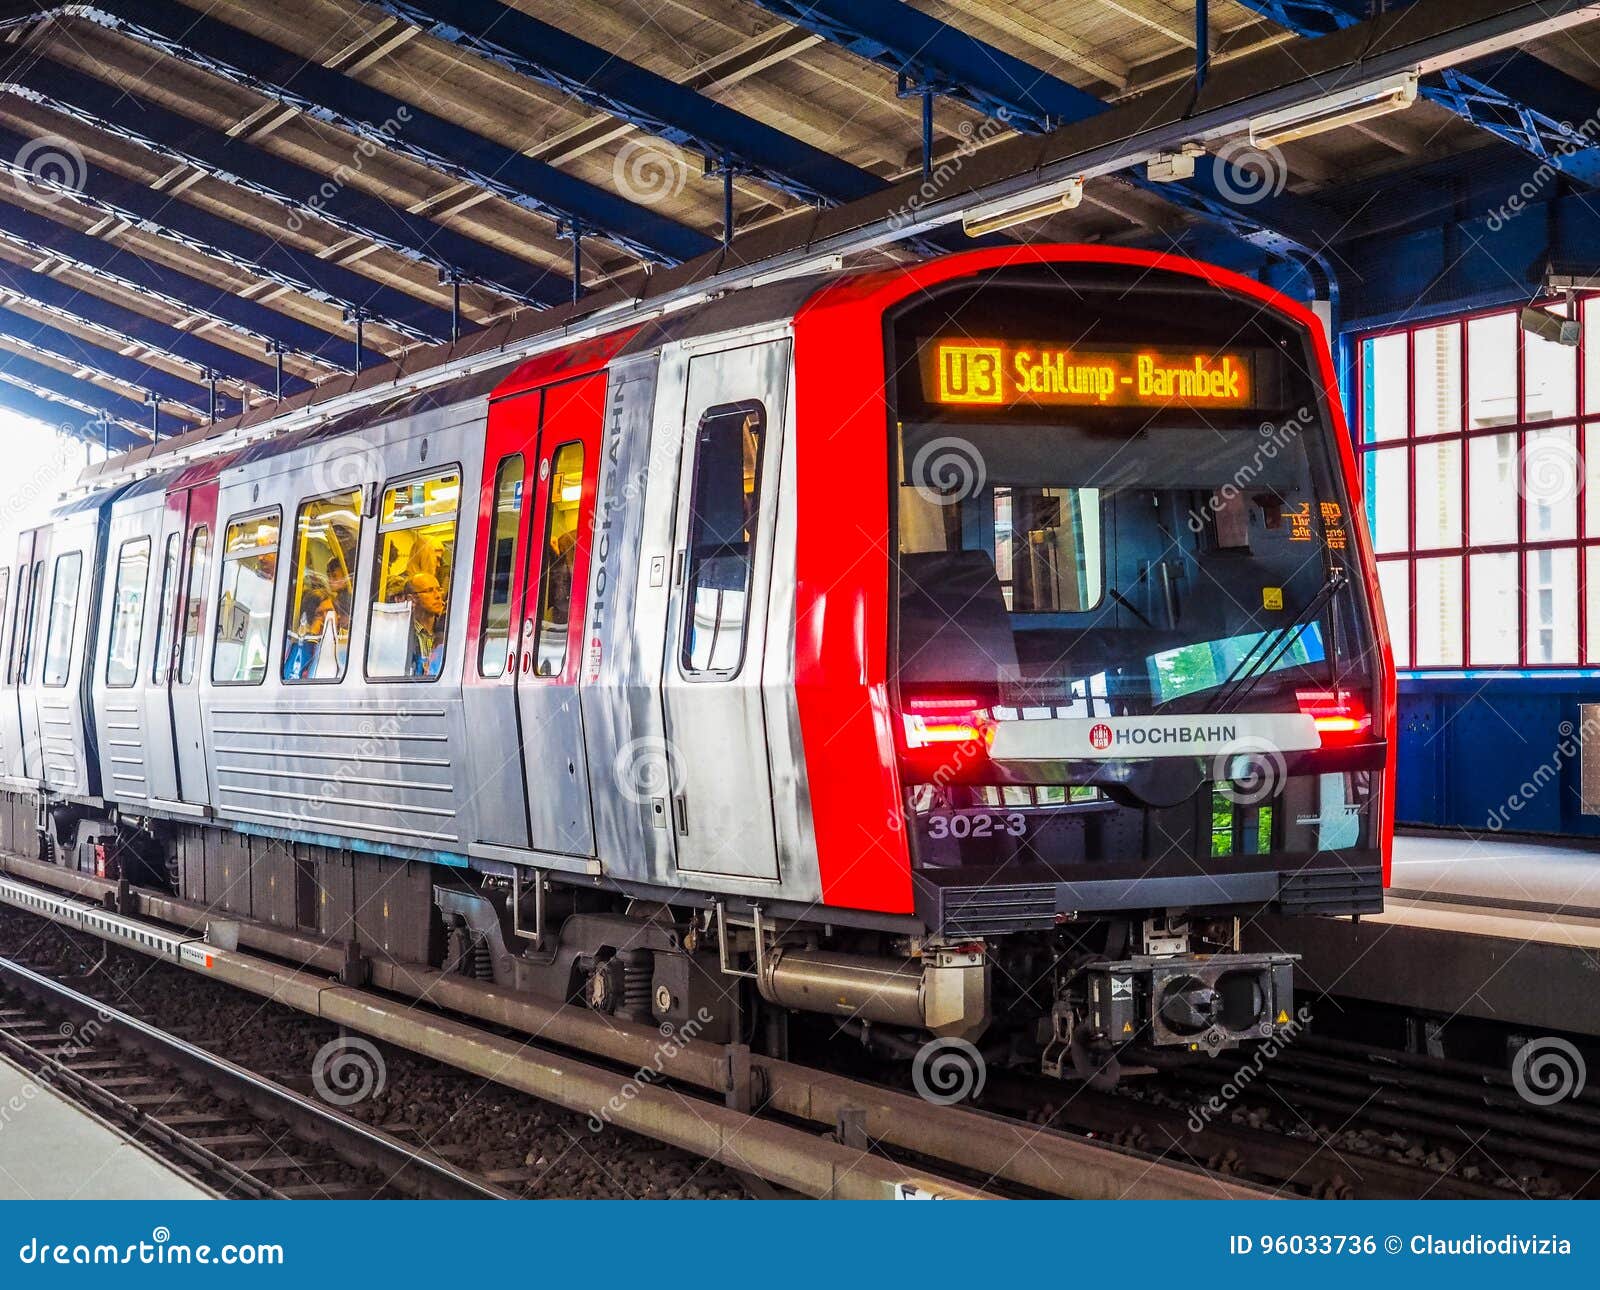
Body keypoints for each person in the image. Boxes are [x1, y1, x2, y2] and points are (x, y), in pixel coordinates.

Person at [404, 570, 447, 677]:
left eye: (439, 589)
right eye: (429, 591)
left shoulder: (448, 630)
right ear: (412, 599)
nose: (438, 596)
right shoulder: (402, 633)